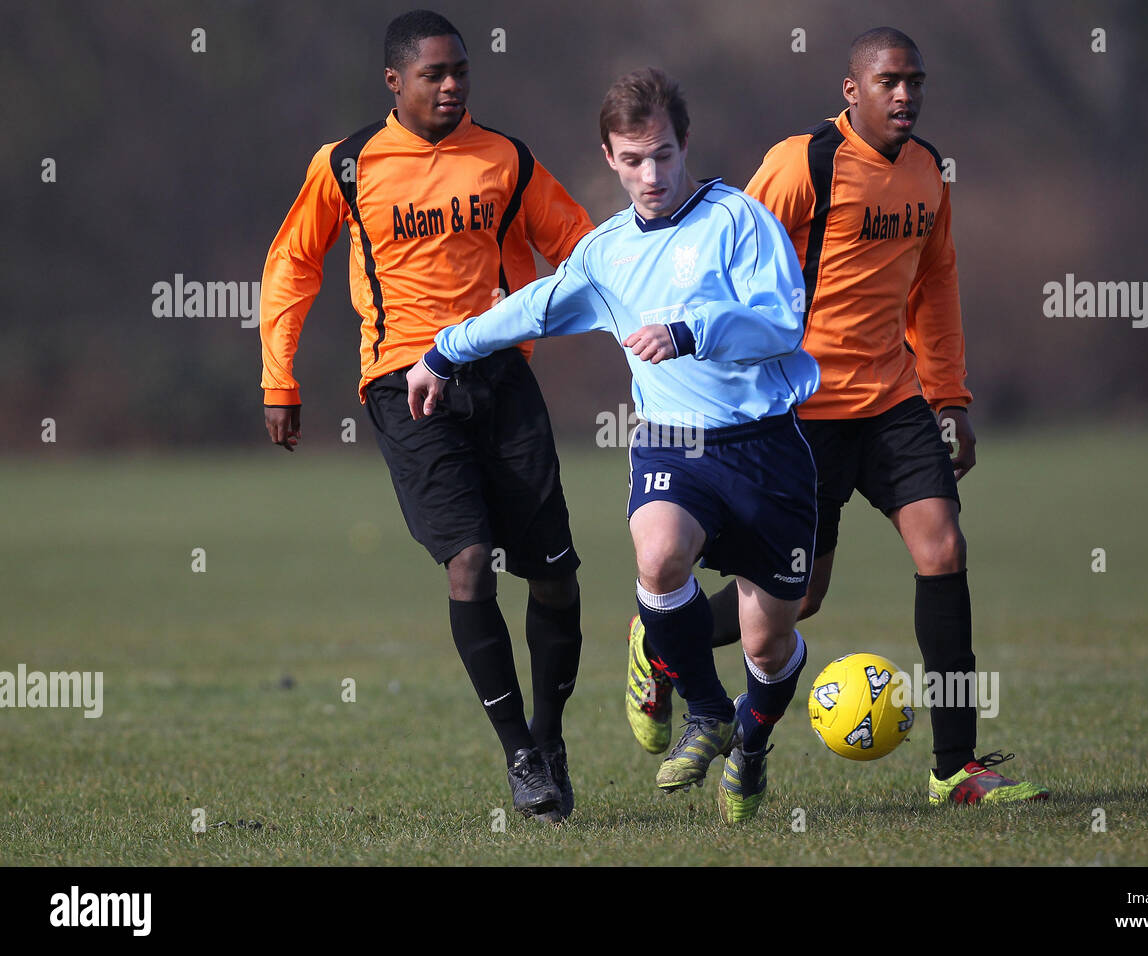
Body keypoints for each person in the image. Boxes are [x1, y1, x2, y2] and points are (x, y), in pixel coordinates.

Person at [623, 28, 1049, 805]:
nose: (905, 95)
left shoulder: (927, 172)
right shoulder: (802, 163)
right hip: (800, 412)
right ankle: (662, 639)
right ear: (852, 90)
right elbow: (726, 253)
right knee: (798, 600)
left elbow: (936, 285)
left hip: (893, 402)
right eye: (888, 81)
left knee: (943, 549)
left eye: (915, 80)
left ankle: (955, 766)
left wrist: (950, 398)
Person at [407, 68, 821, 824]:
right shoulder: (606, 252)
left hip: (765, 450)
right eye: (633, 160)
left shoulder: (738, 220)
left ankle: (752, 744)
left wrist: (692, 332)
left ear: (684, 143)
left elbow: (783, 324)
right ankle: (704, 710)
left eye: (663, 154)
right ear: (609, 157)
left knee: (768, 643)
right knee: (658, 556)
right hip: (672, 445)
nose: (652, 174)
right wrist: (445, 349)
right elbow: (533, 306)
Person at [259, 10, 593, 823]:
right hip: (403, 385)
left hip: (500, 377)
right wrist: (280, 379)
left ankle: (549, 735)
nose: (451, 87)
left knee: (552, 574)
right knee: (470, 563)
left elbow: (582, 246)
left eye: (461, 73)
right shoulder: (345, 165)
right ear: (393, 82)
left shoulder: (506, 158)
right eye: (434, 74)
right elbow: (292, 263)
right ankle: (519, 754)